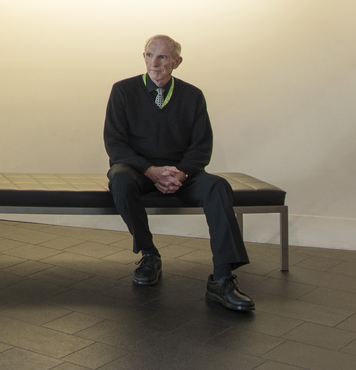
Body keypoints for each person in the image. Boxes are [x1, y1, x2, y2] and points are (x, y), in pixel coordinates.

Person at [104, 35, 254, 312]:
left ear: (177, 61)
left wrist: (181, 174)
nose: (155, 63)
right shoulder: (123, 91)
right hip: (139, 171)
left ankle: (222, 279)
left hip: (180, 173)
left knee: (218, 186)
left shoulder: (192, 95)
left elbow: (201, 146)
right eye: (150, 55)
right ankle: (149, 254)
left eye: (162, 57)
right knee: (121, 178)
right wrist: (150, 171)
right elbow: (115, 144)